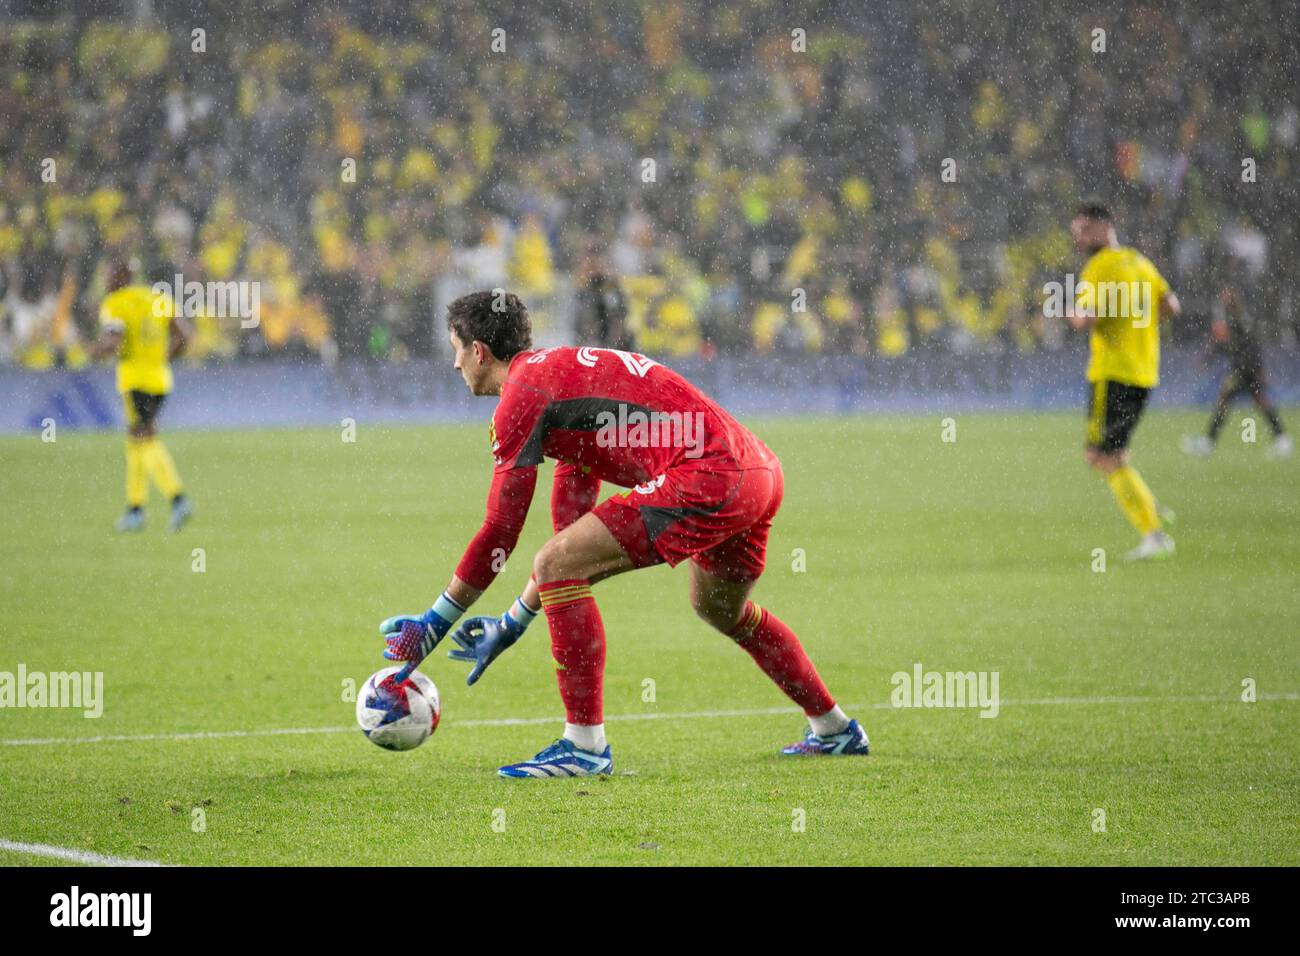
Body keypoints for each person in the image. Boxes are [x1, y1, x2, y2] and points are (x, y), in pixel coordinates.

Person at [377, 291, 867, 778]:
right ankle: (834, 729)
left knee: (559, 564)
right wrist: (512, 620)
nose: (453, 364)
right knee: (719, 607)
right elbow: (570, 535)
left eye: (455, 349)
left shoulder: (523, 396)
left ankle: (584, 746)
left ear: (478, 351)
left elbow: (502, 531)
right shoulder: (560, 378)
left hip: (709, 473)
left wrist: (434, 623)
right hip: (756, 470)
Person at [1068, 205, 1180, 562]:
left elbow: (1086, 318)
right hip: (1145, 372)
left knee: (1101, 457)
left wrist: (1074, 315)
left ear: (1104, 227)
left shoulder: (1098, 268)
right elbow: (1171, 307)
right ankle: (1146, 503)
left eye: (1084, 230)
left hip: (1112, 372)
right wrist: (1139, 326)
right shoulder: (1140, 263)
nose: (1079, 238)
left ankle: (1153, 532)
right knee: (1115, 453)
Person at [91, 262, 194, 533]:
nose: (106, 279)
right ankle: (135, 510)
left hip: (135, 381)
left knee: (145, 438)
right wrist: (164, 359)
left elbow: (113, 339)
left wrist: (93, 351)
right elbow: (184, 336)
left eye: (110, 274)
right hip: (160, 380)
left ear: (121, 277)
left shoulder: (115, 303)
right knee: (135, 440)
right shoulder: (157, 298)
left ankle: (177, 498)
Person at [1181, 282, 1292, 459]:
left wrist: (1256, 369)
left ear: (1233, 298)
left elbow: (1249, 345)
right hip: (1245, 367)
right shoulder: (1236, 319)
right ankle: (1282, 439)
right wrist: (1207, 360)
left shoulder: (1241, 319)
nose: (1223, 298)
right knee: (1259, 402)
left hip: (1245, 369)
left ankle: (1208, 443)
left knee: (1226, 399)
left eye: (1227, 295)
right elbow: (1226, 345)